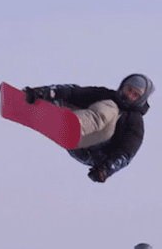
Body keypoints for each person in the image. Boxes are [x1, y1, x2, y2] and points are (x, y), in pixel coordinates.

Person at [23, 74, 154, 182]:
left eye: (135, 95)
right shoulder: (106, 93)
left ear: (140, 100)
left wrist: (105, 170)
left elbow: (126, 153)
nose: (129, 95)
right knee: (71, 98)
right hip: (76, 142)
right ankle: (43, 104)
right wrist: (42, 92)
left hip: (95, 150)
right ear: (122, 86)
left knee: (110, 108)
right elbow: (75, 92)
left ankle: (70, 124)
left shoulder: (135, 121)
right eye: (129, 90)